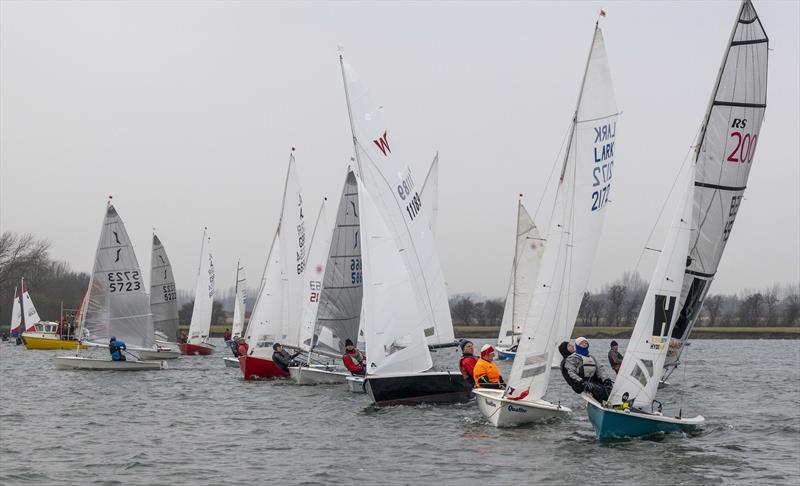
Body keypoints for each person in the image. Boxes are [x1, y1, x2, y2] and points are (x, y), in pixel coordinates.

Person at [563, 337, 614, 402]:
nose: (584, 344)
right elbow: (571, 372)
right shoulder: (572, 358)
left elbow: (600, 369)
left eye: (586, 343)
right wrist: (581, 382)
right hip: (582, 382)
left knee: (608, 389)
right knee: (597, 390)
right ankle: (602, 404)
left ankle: (615, 403)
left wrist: (606, 380)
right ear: (577, 345)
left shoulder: (592, 357)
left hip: (592, 381)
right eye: (581, 343)